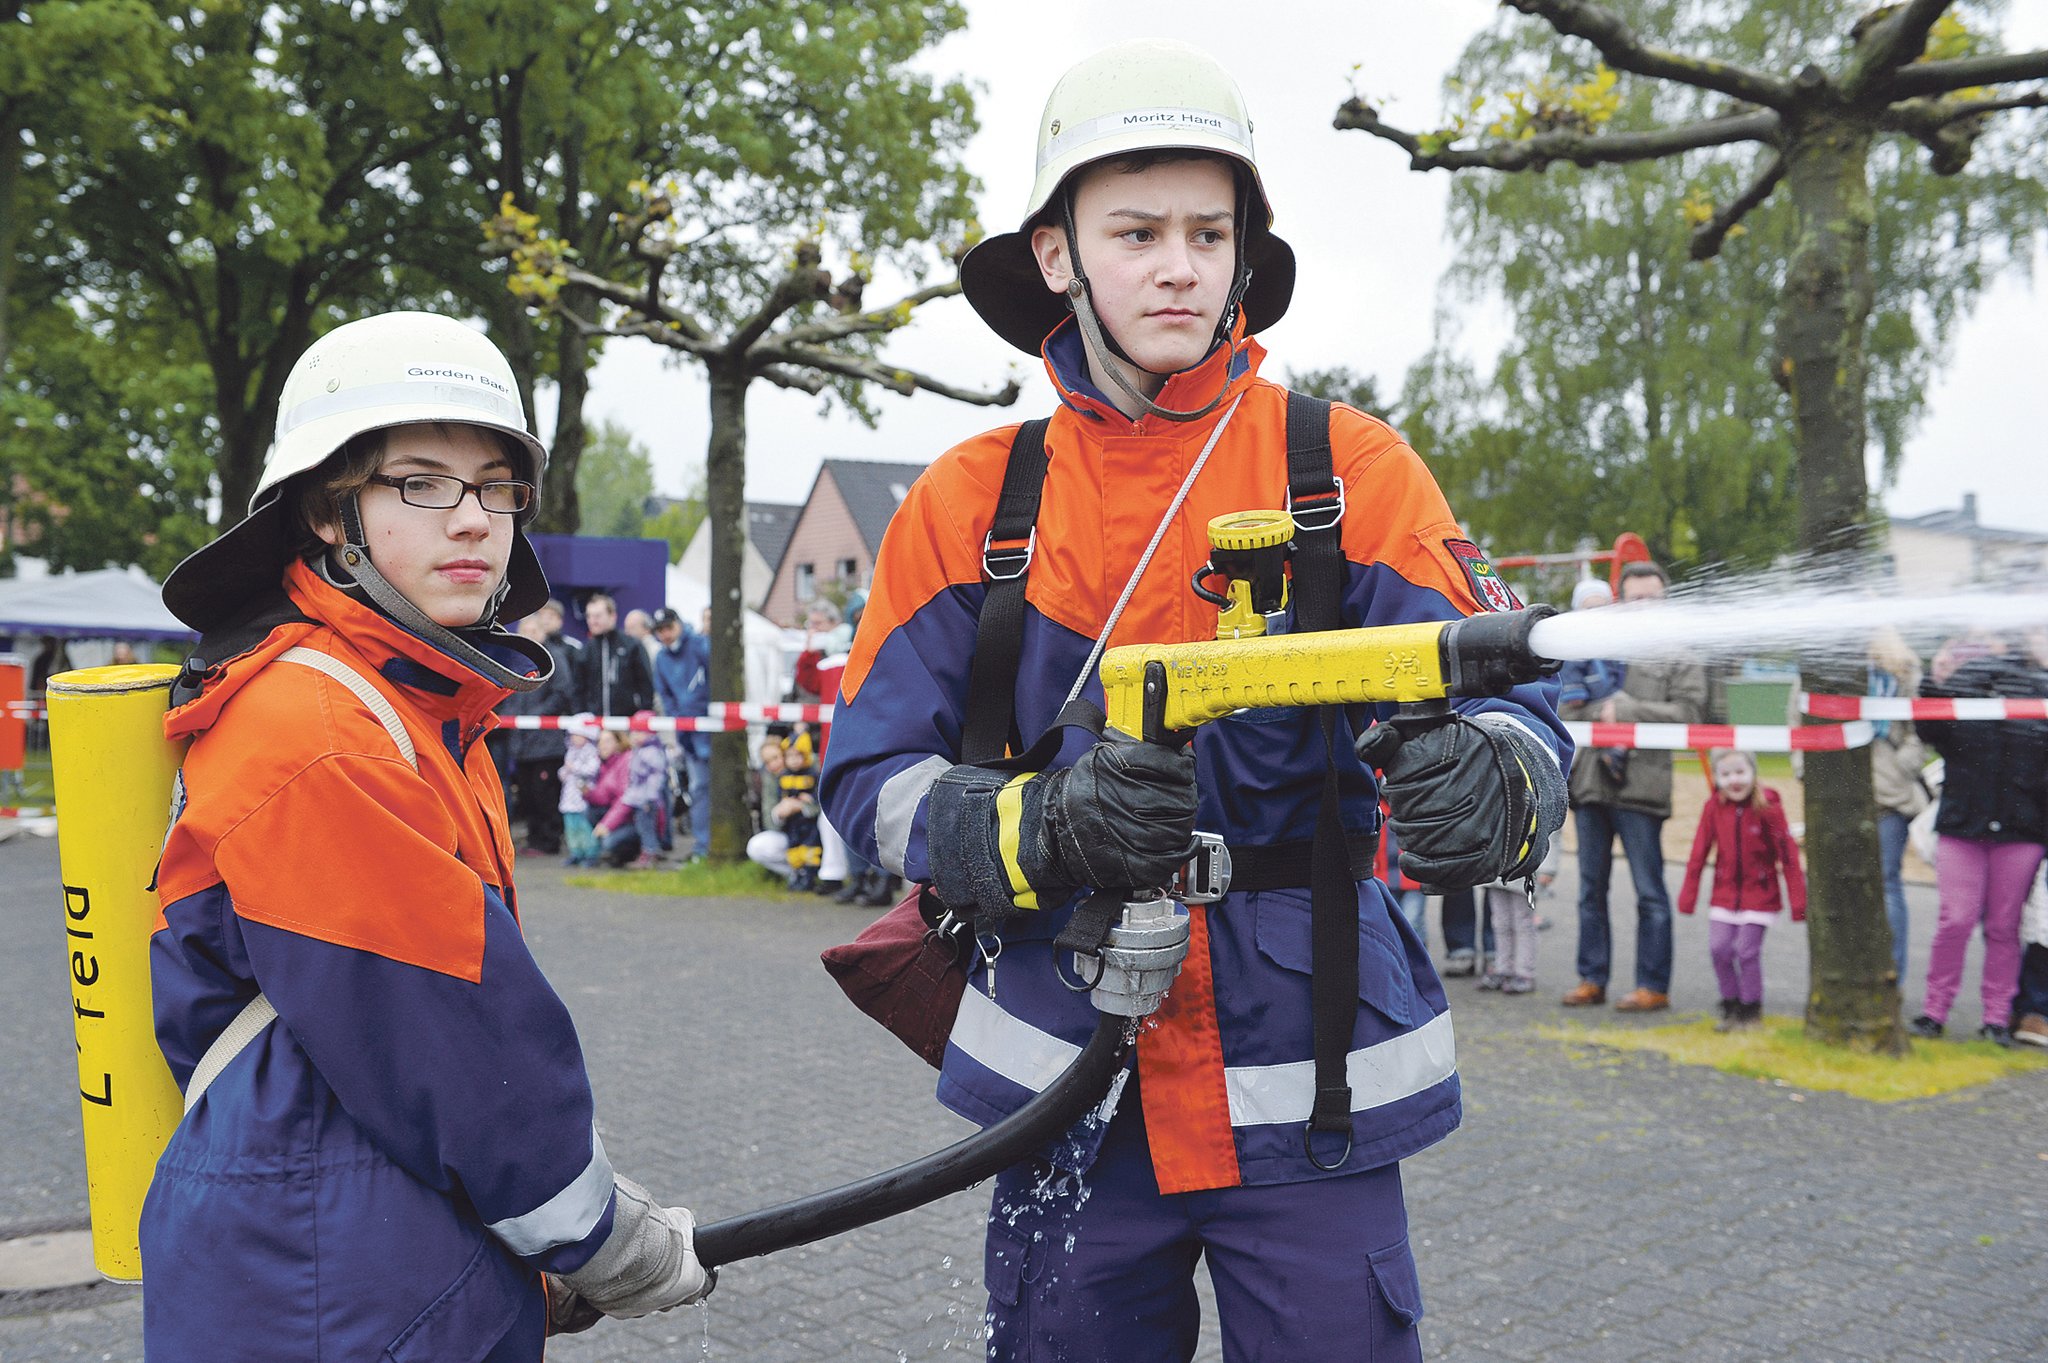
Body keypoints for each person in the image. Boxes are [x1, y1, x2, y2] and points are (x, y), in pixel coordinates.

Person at [818, 41, 1568, 1362]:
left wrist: (1498, 781)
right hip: (1065, 1085)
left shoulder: (1351, 470)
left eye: (1208, 231)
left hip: (1310, 1088)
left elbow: (1514, 705)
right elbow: (867, 780)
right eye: (1138, 229)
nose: (1178, 263)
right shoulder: (969, 503)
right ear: (1056, 253)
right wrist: (1038, 827)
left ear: (1243, 253)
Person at [145, 311, 708, 1360]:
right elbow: (452, 1037)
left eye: (496, 485)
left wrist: (519, 1244)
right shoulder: (320, 730)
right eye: (420, 482)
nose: (472, 519)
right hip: (328, 1283)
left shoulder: (411, 705)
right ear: (327, 510)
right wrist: (588, 1233)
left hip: (361, 1242)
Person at [1558, 561, 1707, 1013]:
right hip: (1590, 783)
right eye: (1635, 599)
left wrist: (1629, 708)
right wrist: (1601, 708)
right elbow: (1566, 711)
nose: (1644, 607)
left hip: (1642, 785)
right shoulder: (1591, 652)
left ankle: (1653, 985)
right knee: (1589, 889)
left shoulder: (1680, 656)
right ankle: (1591, 978)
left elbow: (1691, 716)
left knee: (1649, 891)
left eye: (1653, 599)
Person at [1908, 632, 2048, 1046]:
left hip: (2021, 830)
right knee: (1955, 920)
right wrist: (1932, 685)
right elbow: (1933, 731)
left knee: (2004, 927)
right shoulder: (1971, 676)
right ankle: (1934, 1012)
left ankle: (1996, 1019)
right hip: (1962, 824)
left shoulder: (2043, 688)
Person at [1677, 749, 1807, 1030]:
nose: (1734, 780)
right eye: (1726, 774)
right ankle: (1730, 1005)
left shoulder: (1769, 807)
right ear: (1716, 778)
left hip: (1760, 896)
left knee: (1746, 951)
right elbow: (1699, 853)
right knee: (1719, 950)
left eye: (1740, 772)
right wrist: (1688, 896)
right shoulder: (1713, 808)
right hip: (1724, 895)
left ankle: (1751, 1010)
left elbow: (1788, 855)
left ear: (1753, 773)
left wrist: (1799, 901)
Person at [1866, 627, 1931, 986]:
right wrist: (1803, 769)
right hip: (1840, 788)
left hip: (1891, 793)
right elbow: (1797, 717)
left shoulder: (1904, 668)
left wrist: (1902, 764)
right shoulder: (1827, 665)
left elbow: (1919, 730)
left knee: (1886, 881)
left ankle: (1892, 975)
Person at [498, 610, 577, 854]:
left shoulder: (554, 658)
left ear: (542, 633)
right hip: (521, 743)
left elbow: (562, 692)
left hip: (546, 743)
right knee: (528, 794)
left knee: (545, 794)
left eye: (533, 631)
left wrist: (537, 716)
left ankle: (550, 839)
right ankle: (534, 839)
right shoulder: (516, 661)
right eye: (525, 631)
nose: (529, 636)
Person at [653, 606, 712, 859]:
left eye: (669, 628)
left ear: (678, 624)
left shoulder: (700, 646)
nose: (665, 634)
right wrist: (678, 720)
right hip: (686, 732)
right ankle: (702, 845)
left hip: (710, 727)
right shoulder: (662, 659)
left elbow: (713, 681)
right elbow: (666, 695)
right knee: (698, 788)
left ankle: (706, 844)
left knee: (704, 786)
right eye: (660, 631)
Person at [595, 712, 669, 869]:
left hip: (646, 800)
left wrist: (650, 797)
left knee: (646, 828)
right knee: (644, 827)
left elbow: (655, 777)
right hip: (639, 800)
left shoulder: (651, 752)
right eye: (633, 731)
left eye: (640, 731)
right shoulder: (639, 752)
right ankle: (648, 852)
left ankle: (651, 852)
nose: (635, 735)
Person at [577, 591, 654, 718]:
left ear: (612, 616)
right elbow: (578, 688)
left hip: (628, 722)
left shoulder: (632, 645)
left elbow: (645, 682)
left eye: (597, 616)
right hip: (595, 723)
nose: (592, 621)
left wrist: (644, 711)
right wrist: (581, 715)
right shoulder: (585, 650)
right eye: (589, 616)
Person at [560, 730, 601, 867]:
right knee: (571, 828)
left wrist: (574, 767)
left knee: (585, 827)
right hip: (569, 797)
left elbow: (592, 770)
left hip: (583, 798)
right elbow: (564, 771)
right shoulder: (570, 751)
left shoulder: (592, 752)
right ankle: (576, 853)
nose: (574, 738)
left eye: (577, 734)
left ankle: (590, 854)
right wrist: (564, 771)